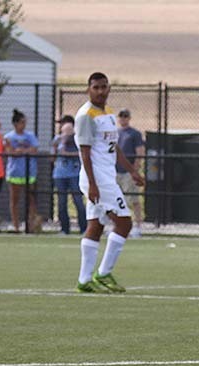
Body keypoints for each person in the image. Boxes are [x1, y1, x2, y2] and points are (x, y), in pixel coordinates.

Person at [74, 72, 145, 293]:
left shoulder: (109, 113)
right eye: (96, 87)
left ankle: (84, 281)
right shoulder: (86, 116)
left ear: (109, 89)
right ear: (88, 89)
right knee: (124, 223)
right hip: (98, 180)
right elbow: (84, 152)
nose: (100, 91)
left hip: (106, 177)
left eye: (104, 87)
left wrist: (132, 170)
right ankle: (103, 274)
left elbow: (113, 147)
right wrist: (93, 184)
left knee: (95, 226)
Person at [3, 109, 40, 233]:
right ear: (15, 124)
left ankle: (31, 225)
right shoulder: (8, 137)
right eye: (21, 122)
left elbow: (34, 150)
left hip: (29, 172)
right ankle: (16, 226)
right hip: (15, 172)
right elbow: (9, 152)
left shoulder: (30, 136)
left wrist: (22, 151)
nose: (24, 125)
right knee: (15, 200)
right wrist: (17, 152)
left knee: (31, 199)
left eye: (25, 122)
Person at [52, 115, 86, 235]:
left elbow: (80, 153)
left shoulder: (78, 139)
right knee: (61, 202)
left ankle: (84, 228)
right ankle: (64, 229)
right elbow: (54, 156)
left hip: (74, 174)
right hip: (60, 174)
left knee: (78, 201)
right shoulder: (58, 139)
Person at [116, 108, 145, 237]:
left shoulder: (135, 134)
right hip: (116, 171)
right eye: (121, 116)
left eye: (125, 116)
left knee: (132, 200)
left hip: (128, 172)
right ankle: (119, 225)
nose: (123, 119)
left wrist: (134, 170)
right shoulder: (115, 133)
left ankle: (137, 226)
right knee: (117, 200)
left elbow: (140, 152)